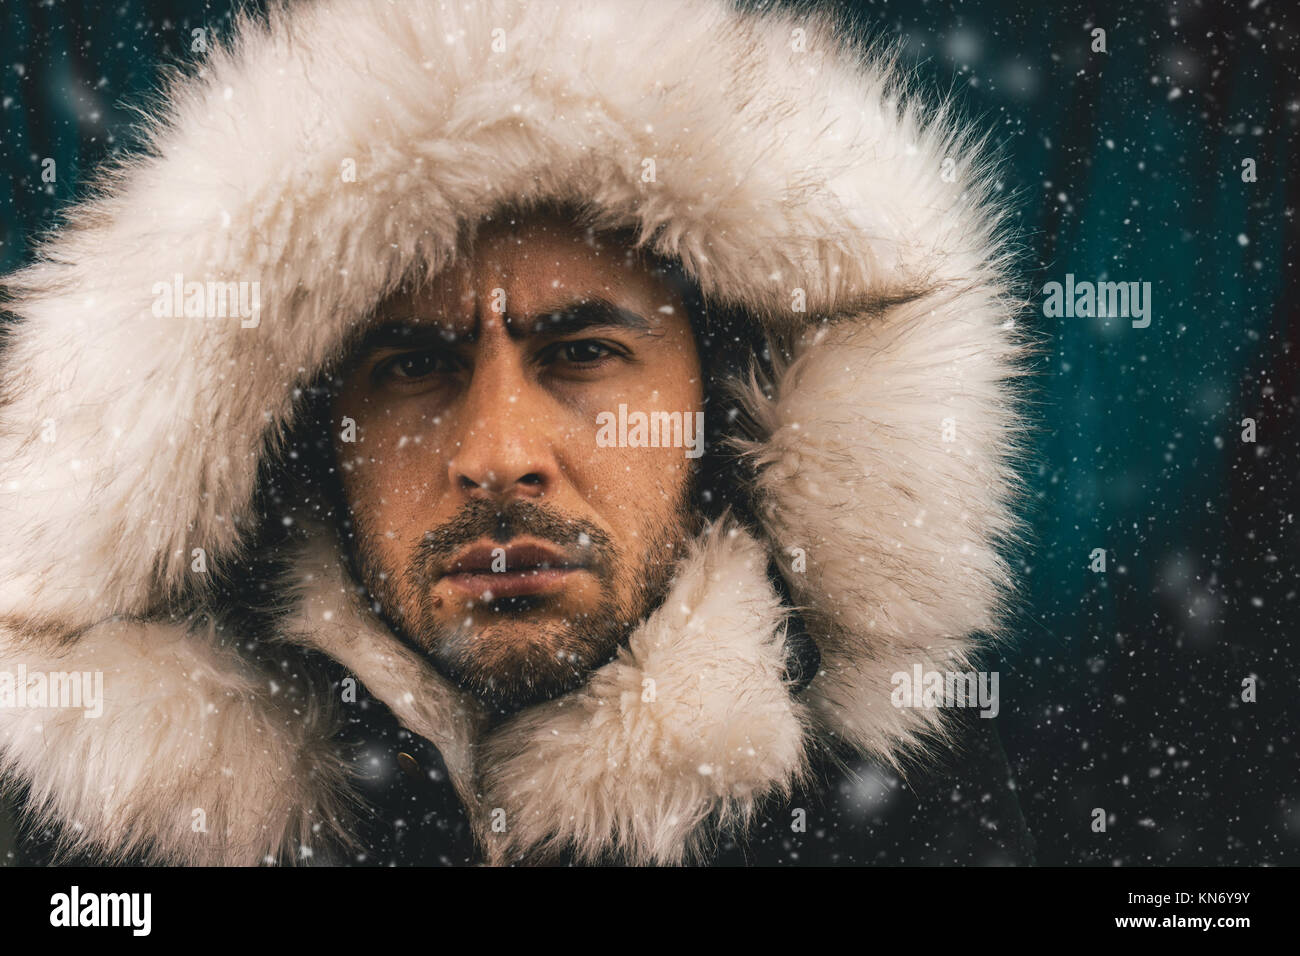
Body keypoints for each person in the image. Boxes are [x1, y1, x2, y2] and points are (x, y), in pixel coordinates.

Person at [0, 0, 1033, 866]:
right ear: (302, 437)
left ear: (725, 406)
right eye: (414, 366)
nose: (499, 453)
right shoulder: (80, 868)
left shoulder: (937, 831)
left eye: (581, 353)